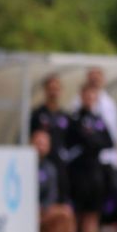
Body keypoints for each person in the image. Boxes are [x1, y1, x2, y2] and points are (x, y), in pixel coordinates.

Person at [66, 83, 116, 232]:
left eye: (93, 95)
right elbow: (75, 139)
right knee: (75, 213)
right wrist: (91, 140)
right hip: (78, 172)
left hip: (95, 172)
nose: (89, 98)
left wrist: (92, 140)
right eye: (86, 95)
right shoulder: (74, 118)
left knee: (92, 215)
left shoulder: (98, 119)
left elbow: (108, 142)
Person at [28, 74, 73, 206]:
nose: (53, 92)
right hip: (41, 164)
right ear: (45, 90)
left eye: (56, 88)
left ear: (61, 91)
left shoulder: (65, 116)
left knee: (61, 202)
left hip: (61, 166)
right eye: (50, 88)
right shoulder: (37, 114)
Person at [33, 129, 75, 232]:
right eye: (38, 143)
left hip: (42, 209)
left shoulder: (49, 168)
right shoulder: (22, 165)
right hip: (24, 211)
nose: (41, 147)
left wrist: (44, 208)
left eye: (44, 144)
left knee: (65, 213)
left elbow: (52, 195)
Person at [80, 67, 117, 167]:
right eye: (92, 79)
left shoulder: (110, 104)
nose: (94, 82)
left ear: (102, 80)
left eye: (97, 79)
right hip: (86, 158)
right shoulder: (77, 103)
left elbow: (115, 131)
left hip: (108, 156)